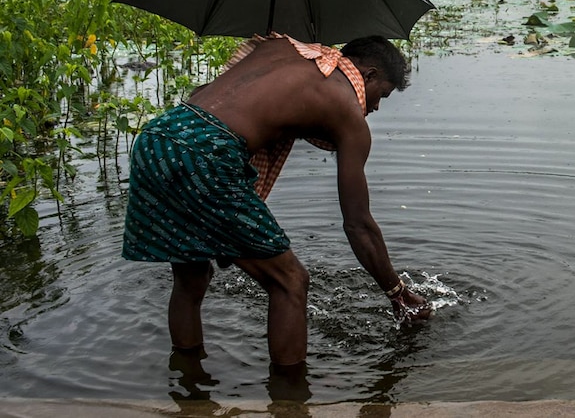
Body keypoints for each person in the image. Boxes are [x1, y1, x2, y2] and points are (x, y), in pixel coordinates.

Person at [122, 33, 430, 370]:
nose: (375, 107)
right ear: (368, 75)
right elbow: (358, 224)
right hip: (206, 153)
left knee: (191, 278)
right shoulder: (346, 110)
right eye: (380, 95)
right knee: (290, 281)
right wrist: (396, 292)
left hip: (158, 137)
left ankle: (188, 380)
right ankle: (289, 400)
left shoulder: (285, 48)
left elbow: (210, 97)